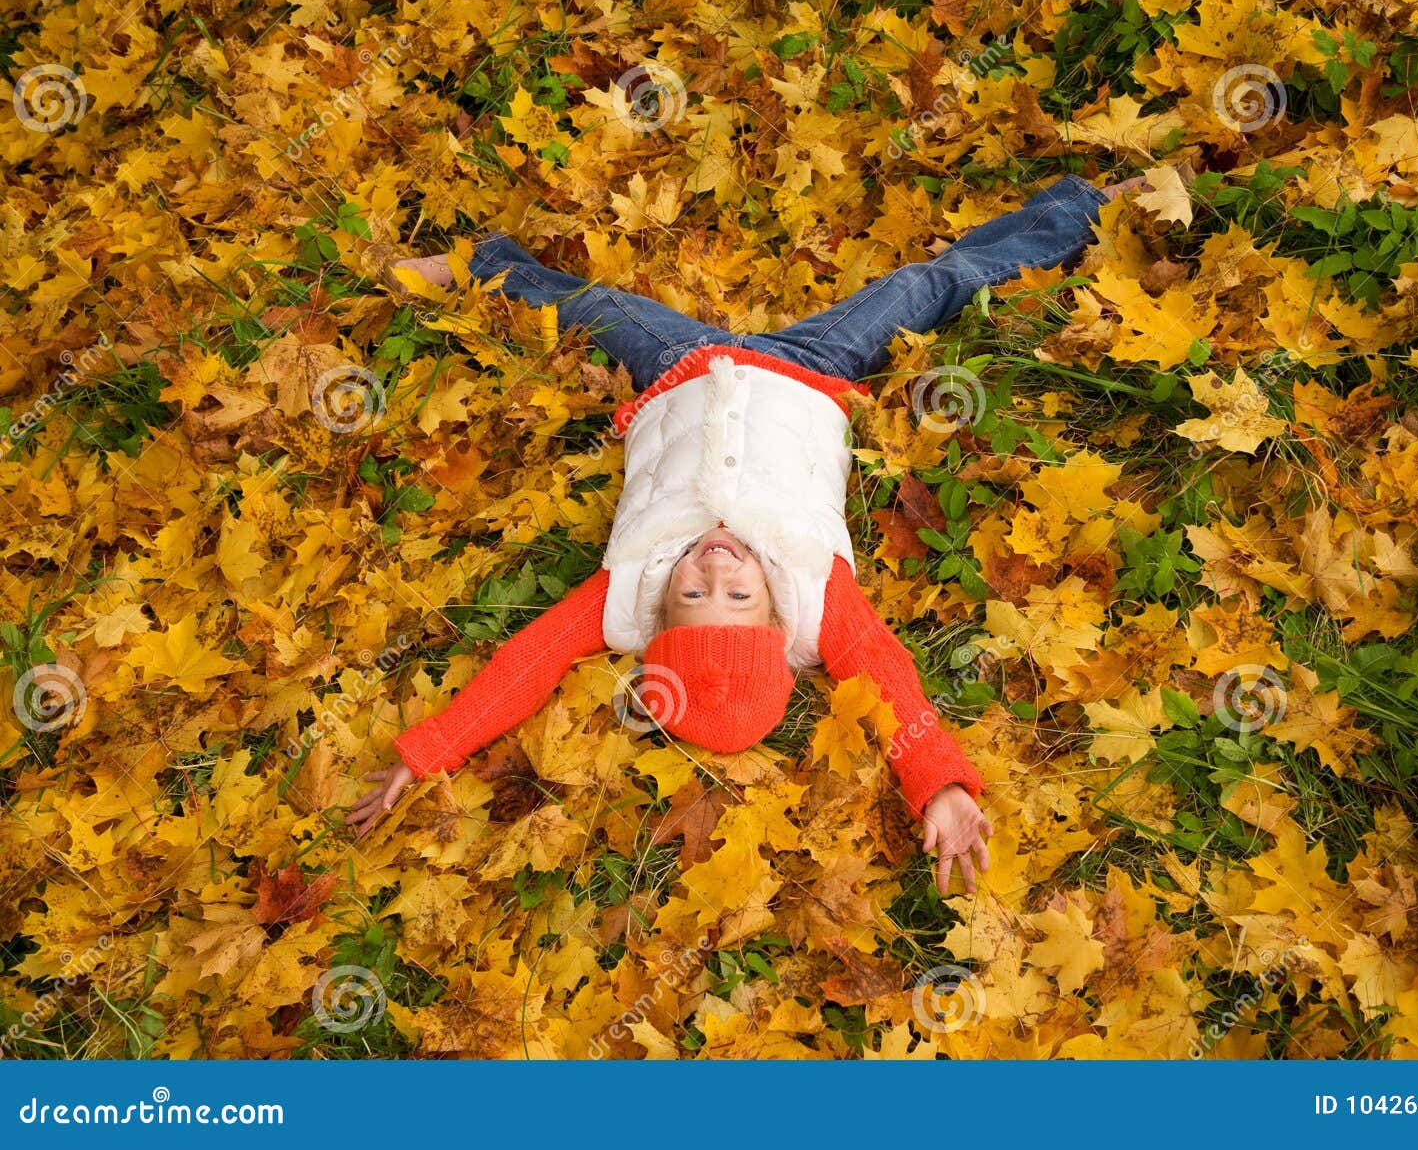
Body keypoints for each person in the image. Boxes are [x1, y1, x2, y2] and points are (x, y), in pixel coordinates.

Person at [348, 171, 1151, 894]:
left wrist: (432, 748)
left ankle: (488, 260)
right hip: (811, 369)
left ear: (659, 616)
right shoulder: (816, 597)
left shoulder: (626, 593)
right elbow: (887, 678)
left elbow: (528, 663)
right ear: (774, 616)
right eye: (736, 595)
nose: (715, 568)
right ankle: (1084, 208)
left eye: (693, 594)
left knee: (588, 306)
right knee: (929, 283)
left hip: (682, 365)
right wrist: (937, 780)